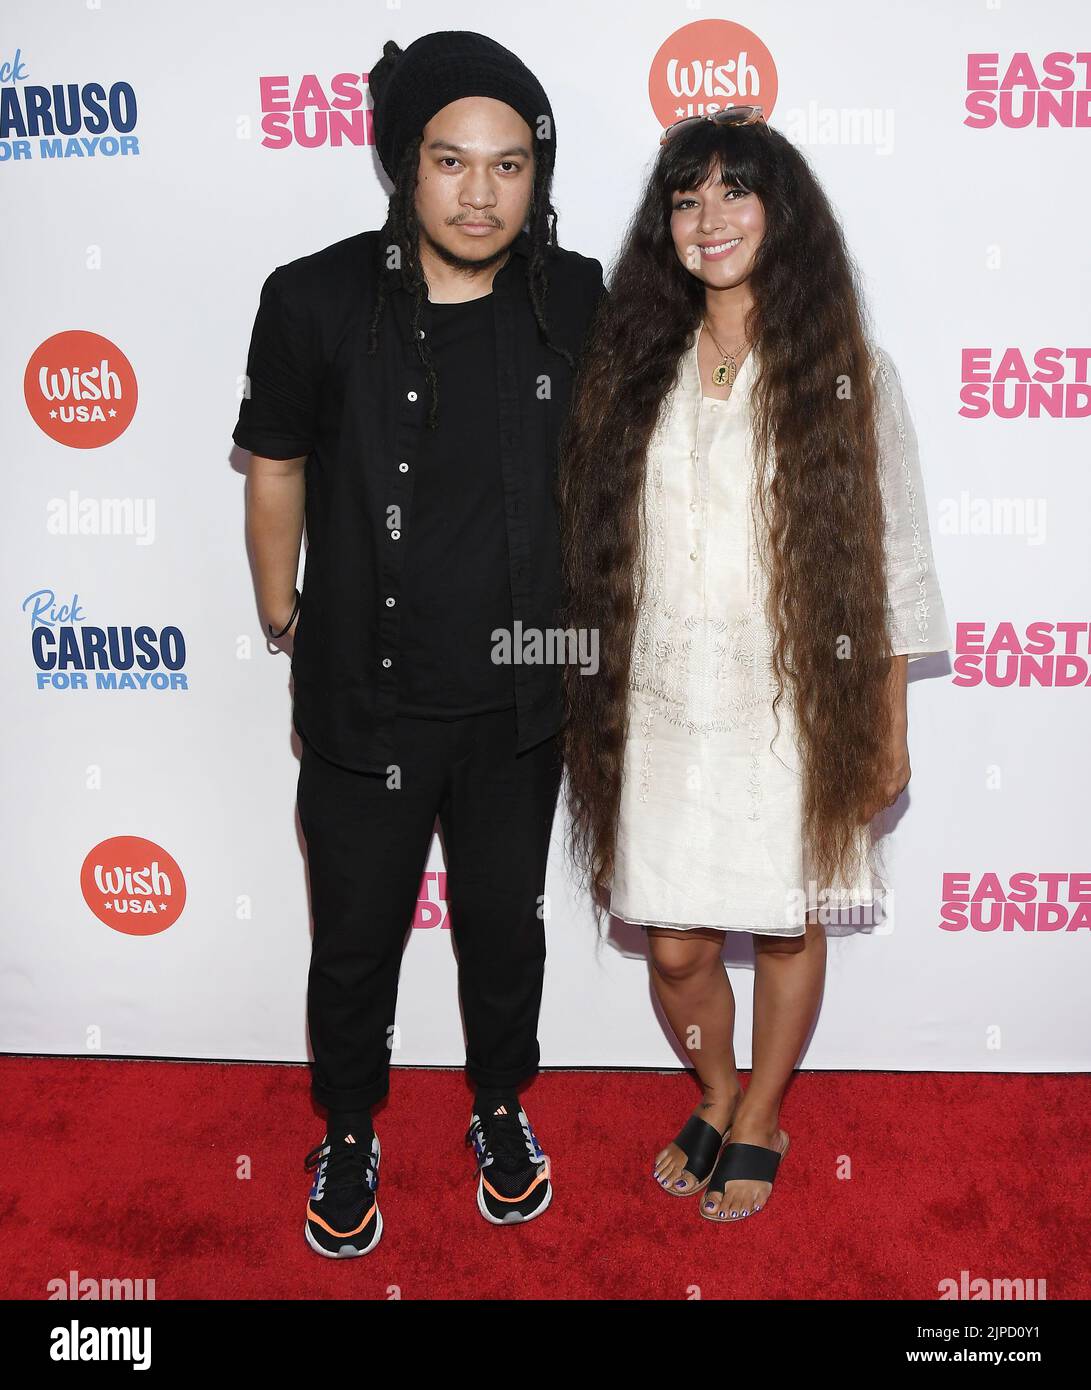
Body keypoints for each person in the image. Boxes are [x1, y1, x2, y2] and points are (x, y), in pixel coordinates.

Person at [232, 30, 604, 1256]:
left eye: (509, 165)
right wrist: (284, 617)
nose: (481, 191)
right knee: (353, 944)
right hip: (362, 704)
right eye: (451, 160)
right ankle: (347, 1126)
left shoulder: (579, 296)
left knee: (505, 932)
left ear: (536, 177)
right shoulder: (312, 298)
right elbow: (275, 465)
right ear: (404, 164)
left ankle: (499, 1107)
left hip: (515, 709)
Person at [558, 107, 951, 1224]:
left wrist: (886, 723)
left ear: (782, 215)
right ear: (663, 225)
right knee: (675, 942)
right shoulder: (632, 363)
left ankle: (763, 1111)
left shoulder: (843, 369)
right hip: (660, 701)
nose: (708, 217)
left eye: (734, 192)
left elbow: (894, 559)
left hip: (793, 698)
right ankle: (718, 1089)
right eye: (685, 198)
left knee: (783, 918)